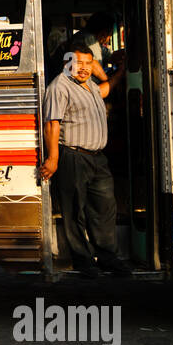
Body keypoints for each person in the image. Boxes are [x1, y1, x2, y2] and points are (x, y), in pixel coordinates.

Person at [40, 38, 132, 278]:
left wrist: (116, 71)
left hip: (97, 158)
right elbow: (52, 124)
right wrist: (53, 159)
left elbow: (105, 88)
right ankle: (83, 260)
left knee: (104, 208)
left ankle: (107, 257)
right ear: (67, 63)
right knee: (75, 211)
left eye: (88, 63)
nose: (83, 67)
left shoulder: (90, 84)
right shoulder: (59, 86)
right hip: (73, 156)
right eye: (78, 62)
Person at [76, 12, 116, 84]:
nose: (109, 38)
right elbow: (95, 64)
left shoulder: (94, 41)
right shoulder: (89, 39)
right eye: (110, 34)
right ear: (104, 33)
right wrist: (111, 81)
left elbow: (109, 55)